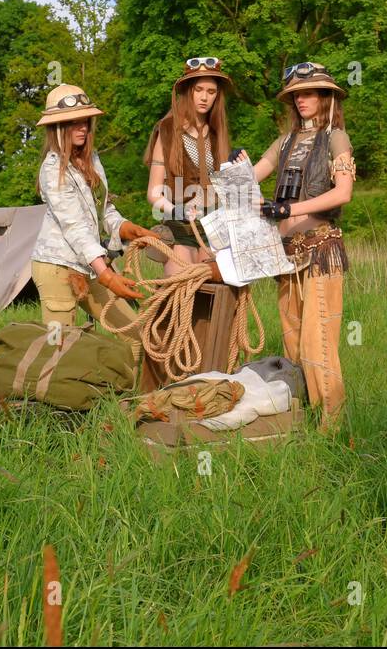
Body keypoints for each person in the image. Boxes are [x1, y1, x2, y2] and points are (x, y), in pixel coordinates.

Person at [250, 63, 356, 432]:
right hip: (286, 255)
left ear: (326, 97)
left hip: (321, 251)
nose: (301, 99)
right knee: (293, 345)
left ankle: (331, 430)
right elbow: (251, 176)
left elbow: (343, 192)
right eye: (296, 94)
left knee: (317, 345)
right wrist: (229, 170)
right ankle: (298, 423)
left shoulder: (336, 138)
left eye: (309, 92)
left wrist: (288, 208)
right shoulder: (284, 142)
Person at [30, 85, 156, 365]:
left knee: (136, 336)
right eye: (73, 121)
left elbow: (103, 210)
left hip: (89, 266)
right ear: (57, 127)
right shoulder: (52, 170)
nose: (82, 127)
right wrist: (108, 276)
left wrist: (128, 228)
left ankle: (127, 400)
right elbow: (75, 228)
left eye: (85, 120)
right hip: (57, 268)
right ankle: (52, 405)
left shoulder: (92, 159)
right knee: (59, 350)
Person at [144, 57, 235, 277]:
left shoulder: (218, 134)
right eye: (199, 90)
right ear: (188, 91)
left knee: (216, 303)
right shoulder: (167, 131)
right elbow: (153, 193)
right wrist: (177, 210)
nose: (204, 97)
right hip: (180, 229)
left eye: (211, 92)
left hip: (213, 231)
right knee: (181, 298)